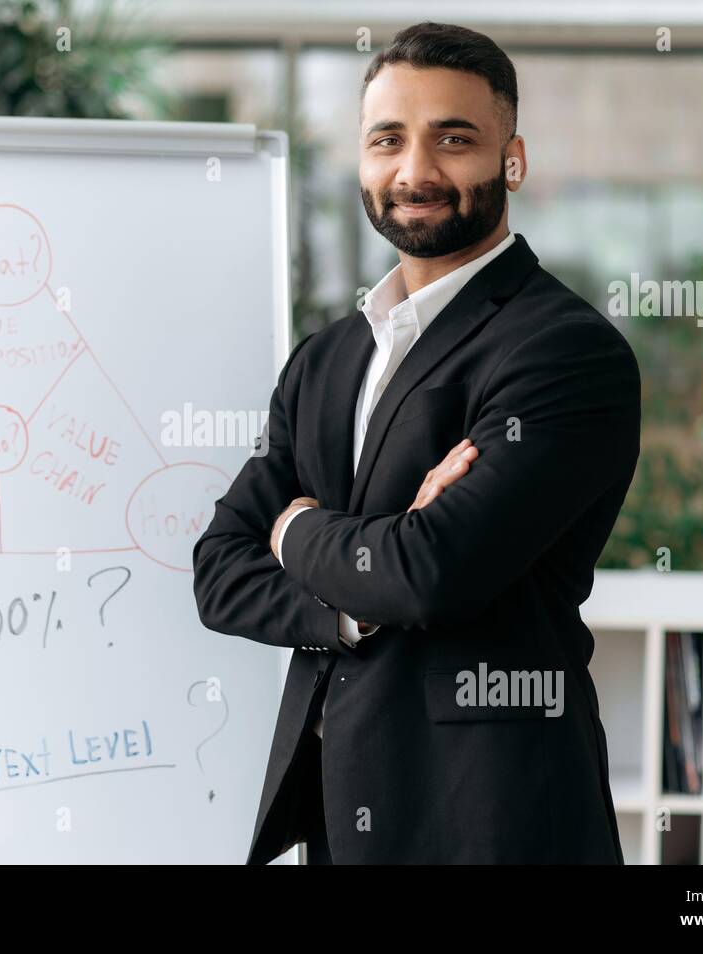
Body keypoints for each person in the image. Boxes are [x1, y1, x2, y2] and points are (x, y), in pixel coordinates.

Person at [192, 21, 640, 864]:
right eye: (387, 140)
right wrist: (363, 598)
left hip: (490, 816)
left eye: (454, 139)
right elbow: (218, 570)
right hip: (334, 810)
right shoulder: (326, 358)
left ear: (513, 159)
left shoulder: (563, 350)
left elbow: (431, 570)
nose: (415, 171)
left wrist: (292, 532)